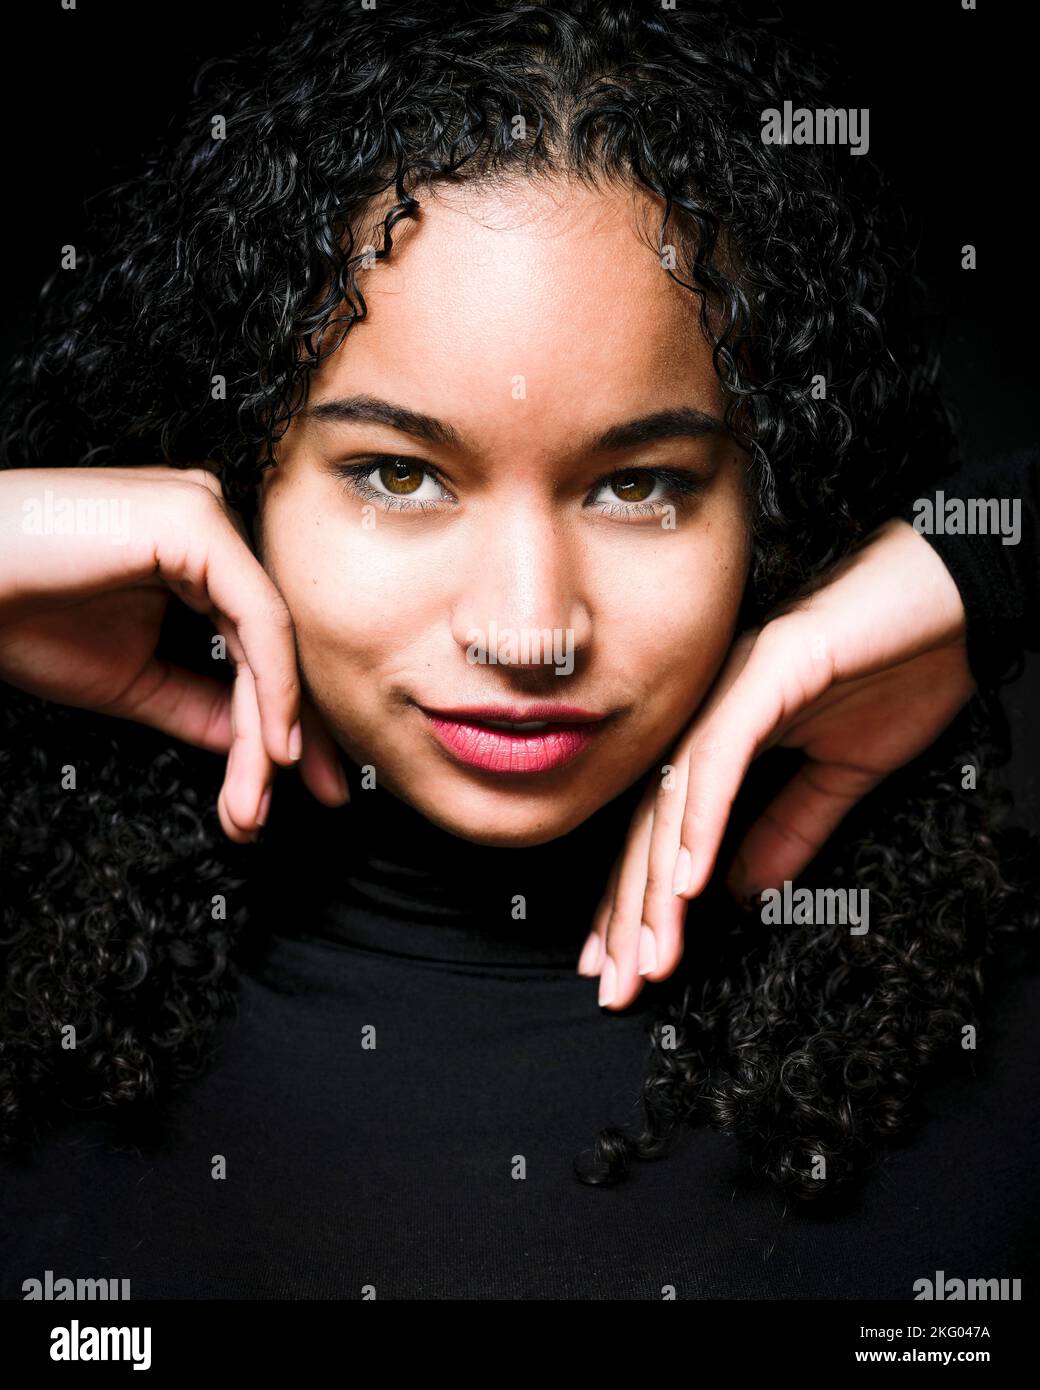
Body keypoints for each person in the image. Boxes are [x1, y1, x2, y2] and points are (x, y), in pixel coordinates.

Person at [1, 0, 1037, 1300]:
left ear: (771, 495)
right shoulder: (32, 1004)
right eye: (397, 473)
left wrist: (982, 568)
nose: (530, 630)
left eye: (640, 484)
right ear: (234, 476)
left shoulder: (971, 1033)